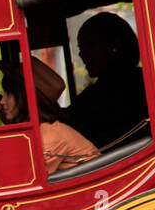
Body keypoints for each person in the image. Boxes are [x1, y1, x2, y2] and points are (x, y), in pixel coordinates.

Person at [0, 59, 99, 174]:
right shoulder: (44, 130)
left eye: (8, 94)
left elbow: (27, 177)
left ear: (23, 99)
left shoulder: (49, 137)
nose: (2, 101)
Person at [63, 11, 149, 149]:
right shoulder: (142, 79)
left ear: (114, 45)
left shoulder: (108, 93)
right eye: (80, 48)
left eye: (90, 45)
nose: (81, 54)